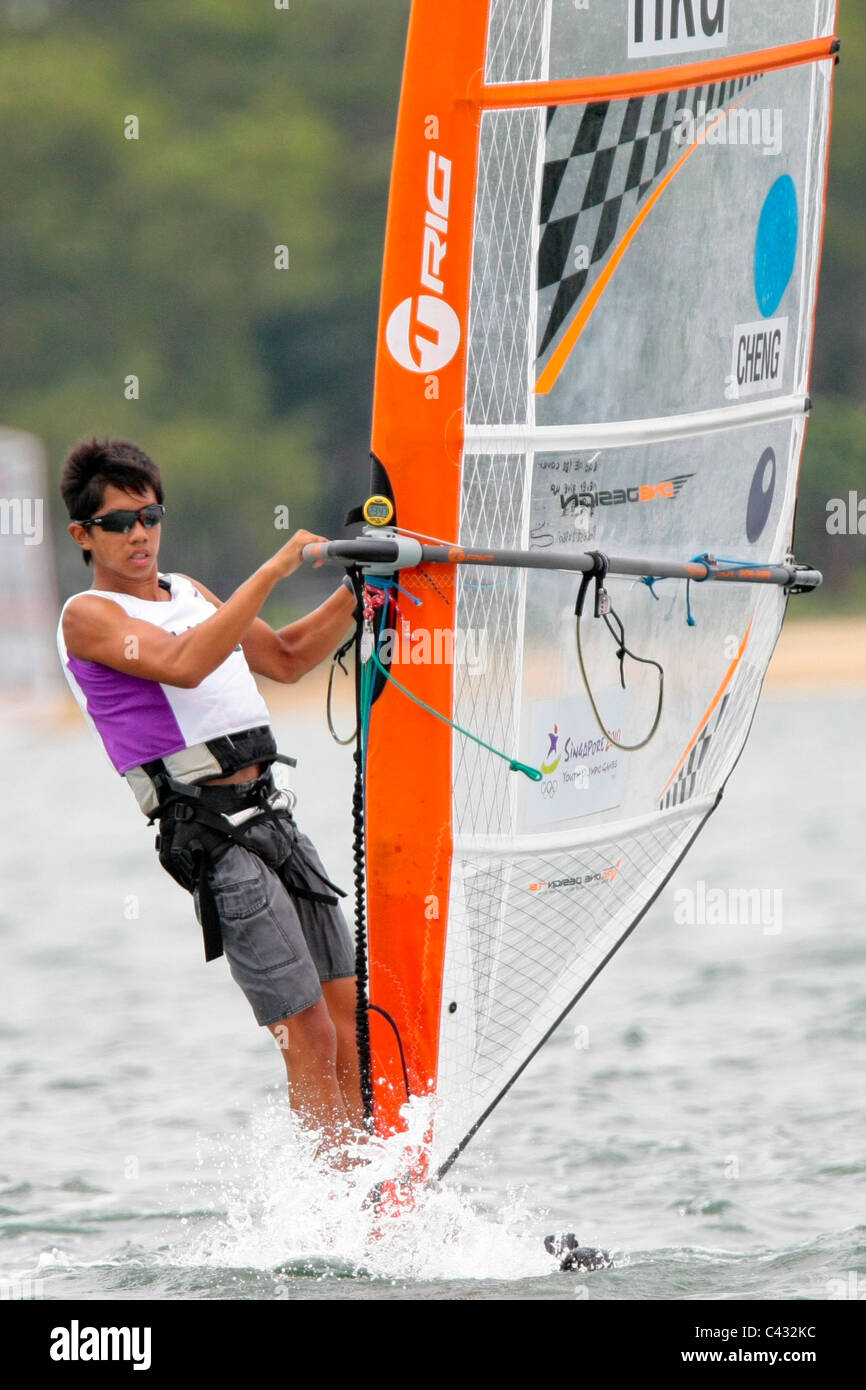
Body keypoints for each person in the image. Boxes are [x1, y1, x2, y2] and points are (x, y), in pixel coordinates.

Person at [56, 438, 363, 1164]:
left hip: (275, 820)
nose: (139, 535)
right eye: (119, 523)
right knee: (308, 1033)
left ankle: (377, 1190)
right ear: (83, 534)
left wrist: (365, 583)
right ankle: (337, 1203)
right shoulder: (87, 616)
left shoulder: (189, 591)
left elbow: (287, 657)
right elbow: (185, 665)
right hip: (213, 840)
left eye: (150, 516)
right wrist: (275, 568)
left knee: (352, 1018)